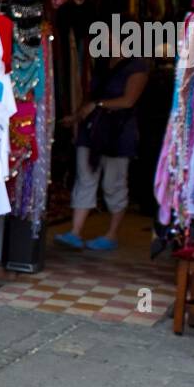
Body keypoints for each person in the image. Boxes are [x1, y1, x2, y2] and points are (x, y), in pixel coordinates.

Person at [55, 49, 149, 251]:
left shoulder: (137, 66)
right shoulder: (102, 63)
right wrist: (77, 116)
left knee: (113, 183)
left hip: (118, 133)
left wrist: (97, 105)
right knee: (85, 177)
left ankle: (111, 234)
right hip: (93, 130)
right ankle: (75, 231)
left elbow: (128, 100)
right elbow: (90, 97)